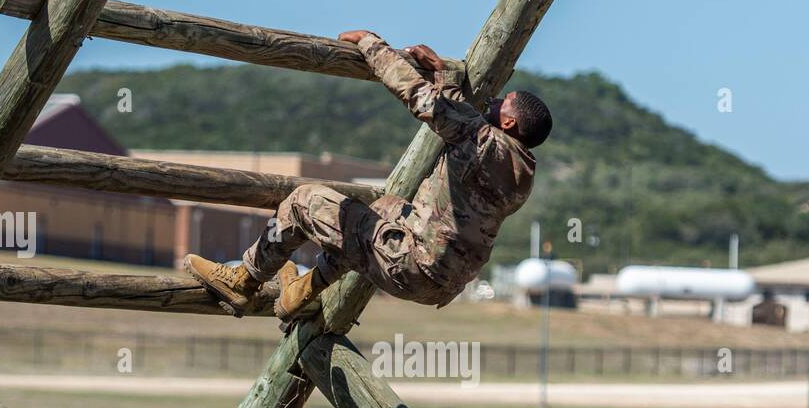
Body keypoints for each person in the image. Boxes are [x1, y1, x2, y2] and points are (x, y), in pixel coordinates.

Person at [184, 31, 552, 323]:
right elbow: (459, 117)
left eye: (503, 101)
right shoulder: (522, 174)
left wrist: (370, 44)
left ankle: (242, 281)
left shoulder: (480, 139)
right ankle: (302, 291)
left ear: (509, 122)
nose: (494, 99)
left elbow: (421, 98)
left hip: (408, 264)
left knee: (300, 203)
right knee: (384, 209)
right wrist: (447, 73)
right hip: (442, 284)